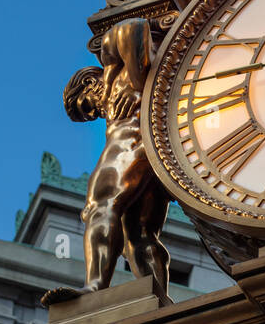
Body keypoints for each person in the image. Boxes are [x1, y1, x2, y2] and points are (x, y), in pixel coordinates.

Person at [41, 18, 169, 306]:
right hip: (156, 151)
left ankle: (96, 286)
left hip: (129, 149)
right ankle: (159, 300)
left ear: (89, 82)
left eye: (87, 106)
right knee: (139, 234)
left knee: (99, 206)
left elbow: (132, 25)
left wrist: (137, 83)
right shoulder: (147, 72)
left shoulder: (114, 69)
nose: (96, 112)